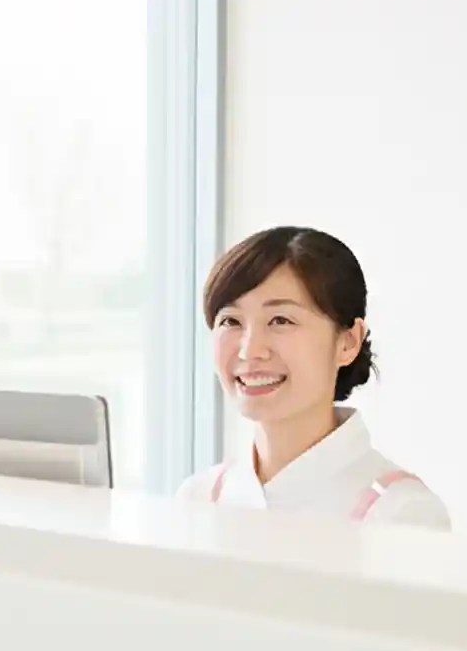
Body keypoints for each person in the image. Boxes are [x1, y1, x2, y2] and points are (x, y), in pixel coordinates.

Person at [177, 226, 450, 529]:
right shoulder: (198, 499)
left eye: (281, 320)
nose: (249, 350)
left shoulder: (402, 514)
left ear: (348, 342)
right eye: (230, 321)